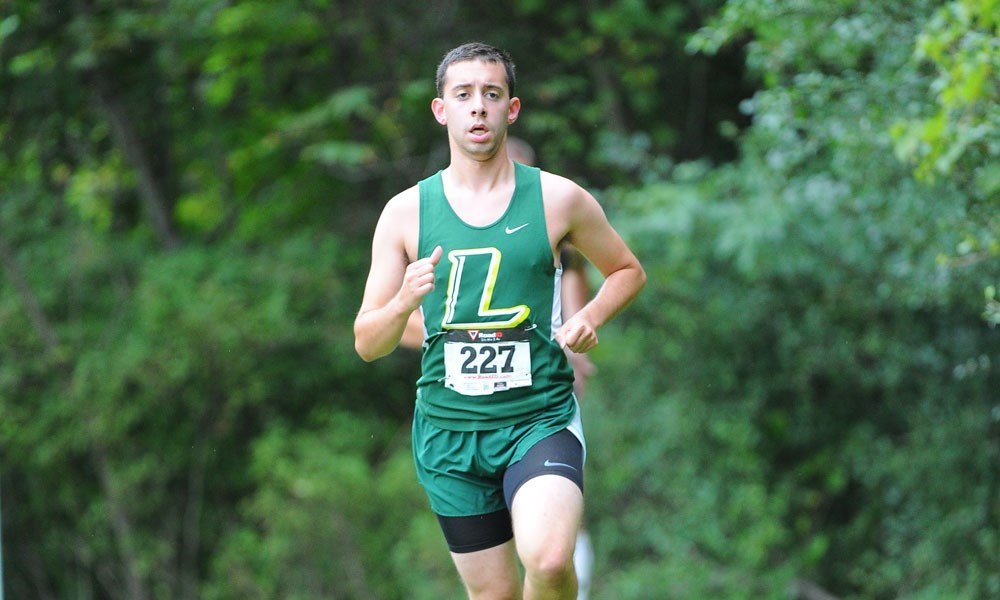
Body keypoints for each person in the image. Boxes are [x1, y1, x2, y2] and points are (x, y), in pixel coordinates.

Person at [354, 42, 645, 600]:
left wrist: (589, 316)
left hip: (538, 419)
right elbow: (368, 341)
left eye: (491, 94)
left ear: (512, 109)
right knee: (495, 595)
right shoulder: (405, 212)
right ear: (441, 110)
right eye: (463, 94)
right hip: (449, 435)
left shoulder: (558, 199)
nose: (478, 106)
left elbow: (628, 271)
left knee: (551, 560)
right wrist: (402, 302)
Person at [399, 135, 597, 599]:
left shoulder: (555, 230)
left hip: (538, 403)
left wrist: (576, 345)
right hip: (460, 419)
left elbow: (574, 303)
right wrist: (458, 338)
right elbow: (393, 324)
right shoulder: (431, 225)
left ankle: (571, 578)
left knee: (550, 544)